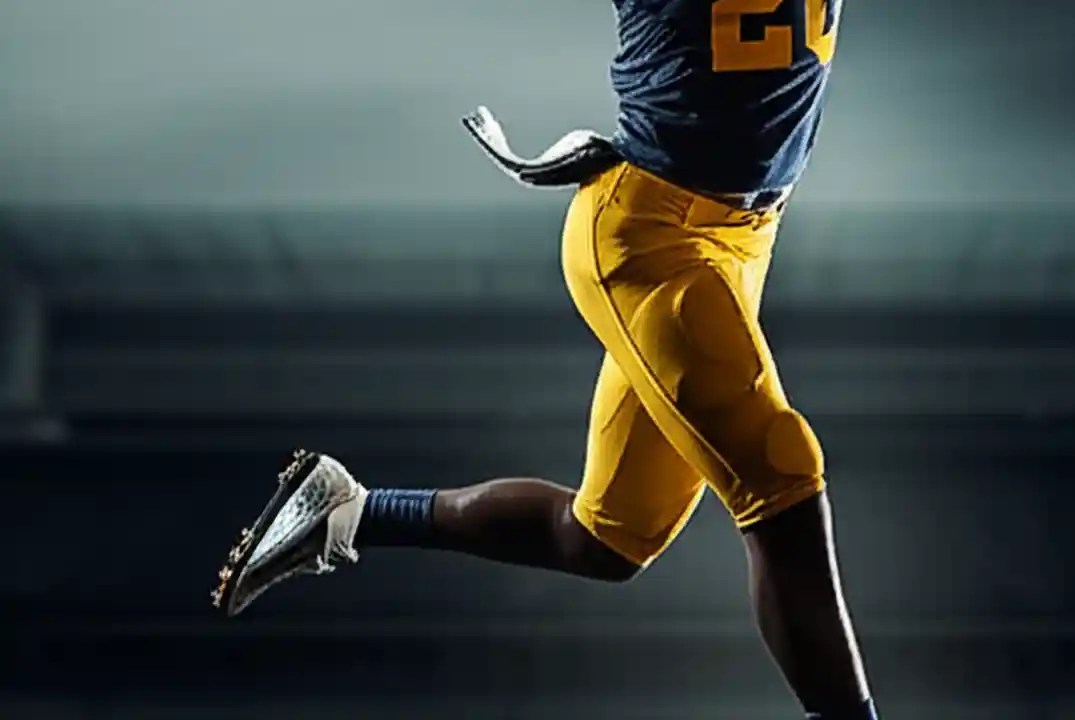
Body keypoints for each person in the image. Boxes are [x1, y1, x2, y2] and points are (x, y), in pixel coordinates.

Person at [212, 1, 877, 717]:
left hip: (744, 241)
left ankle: (351, 512)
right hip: (657, 241)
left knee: (604, 541)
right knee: (781, 474)